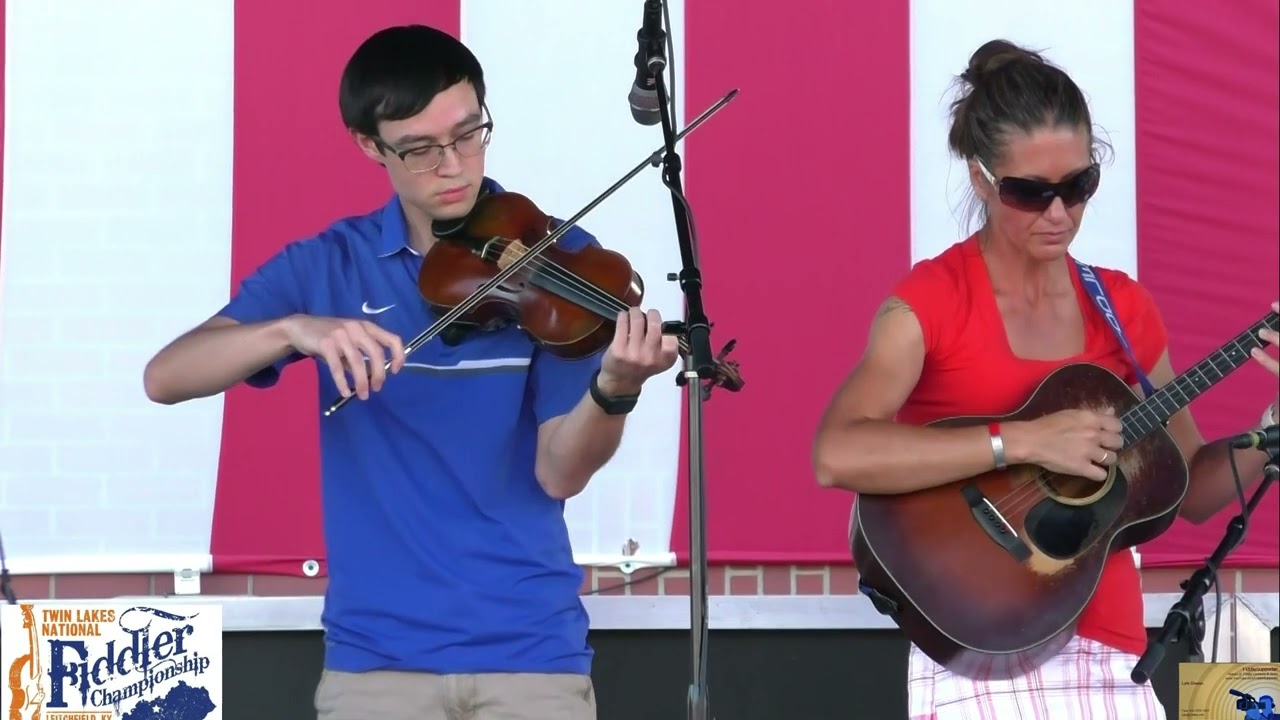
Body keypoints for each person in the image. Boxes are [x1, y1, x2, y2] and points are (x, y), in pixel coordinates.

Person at [143, 24, 679, 720]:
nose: (454, 166)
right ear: (371, 145)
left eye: (469, 134)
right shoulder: (330, 263)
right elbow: (166, 377)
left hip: (530, 656)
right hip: (376, 665)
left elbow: (560, 473)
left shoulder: (558, 259)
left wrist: (616, 389)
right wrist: (290, 327)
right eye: (421, 149)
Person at [811, 39, 1279, 719]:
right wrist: (1022, 442)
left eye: (1078, 187)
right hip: (981, 652)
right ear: (980, 178)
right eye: (1031, 193)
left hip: (1115, 652)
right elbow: (838, 453)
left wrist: (1271, 427)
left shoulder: (1123, 309)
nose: (1059, 214)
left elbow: (1191, 492)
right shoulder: (931, 301)